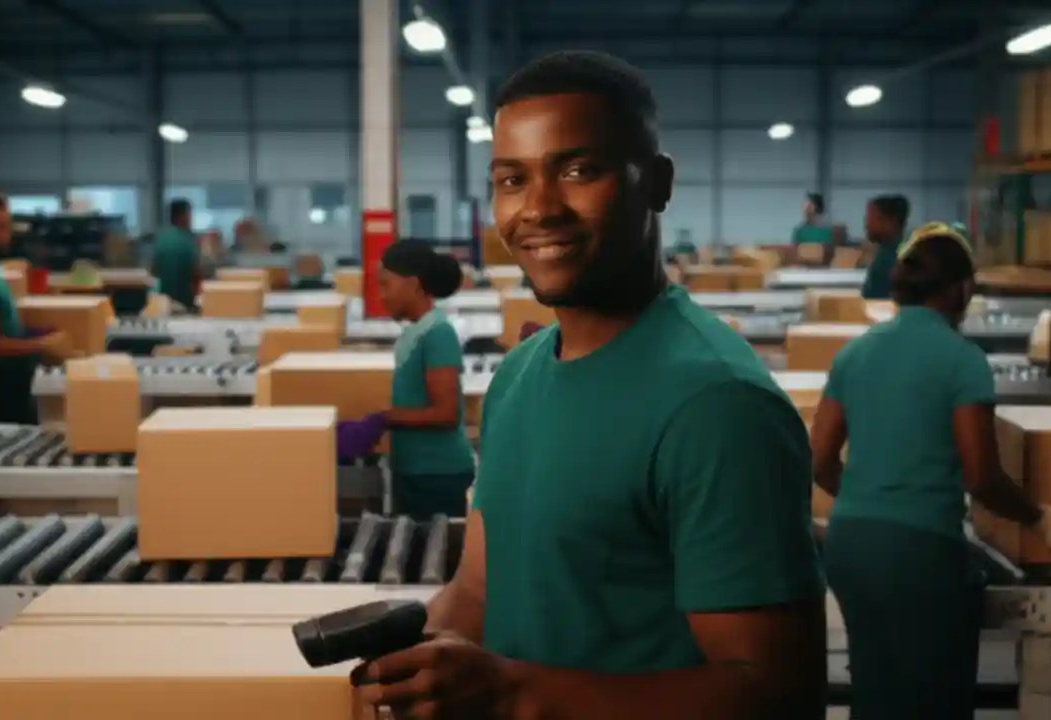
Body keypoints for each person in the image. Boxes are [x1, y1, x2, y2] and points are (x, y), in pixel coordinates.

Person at [354, 51, 827, 719]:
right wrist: (406, 661)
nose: (540, 209)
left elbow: (772, 692)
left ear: (657, 183)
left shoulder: (716, 404)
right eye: (512, 179)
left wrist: (511, 693)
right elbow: (479, 595)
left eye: (579, 170)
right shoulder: (518, 377)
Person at [809, 222, 1051, 719]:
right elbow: (982, 478)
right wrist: (1046, 520)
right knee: (934, 701)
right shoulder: (962, 360)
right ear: (964, 289)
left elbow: (819, 462)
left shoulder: (855, 353)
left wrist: (872, 498)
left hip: (850, 549)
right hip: (919, 557)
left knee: (877, 693)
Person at [373, 239, 476, 519]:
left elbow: (446, 414)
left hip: (438, 475)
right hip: (413, 469)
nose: (381, 295)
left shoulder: (437, 332)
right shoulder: (413, 332)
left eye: (386, 284)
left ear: (414, 285)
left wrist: (386, 418)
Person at [0, 190, 69, 424]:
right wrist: (42, 345)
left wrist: (39, 332)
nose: (7, 234)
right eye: (0, 226)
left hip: (14, 382)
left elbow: (7, 326)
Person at [152, 199, 200, 309]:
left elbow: (154, 270)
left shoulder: (161, 238)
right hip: (185, 302)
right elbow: (195, 273)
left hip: (163, 302)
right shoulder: (187, 240)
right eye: (189, 215)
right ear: (183, 216)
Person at [860, 194, 909, 299]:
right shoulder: (884, 253)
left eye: (871, 219)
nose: (867, 225)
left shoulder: (892, 259)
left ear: (890, 222)